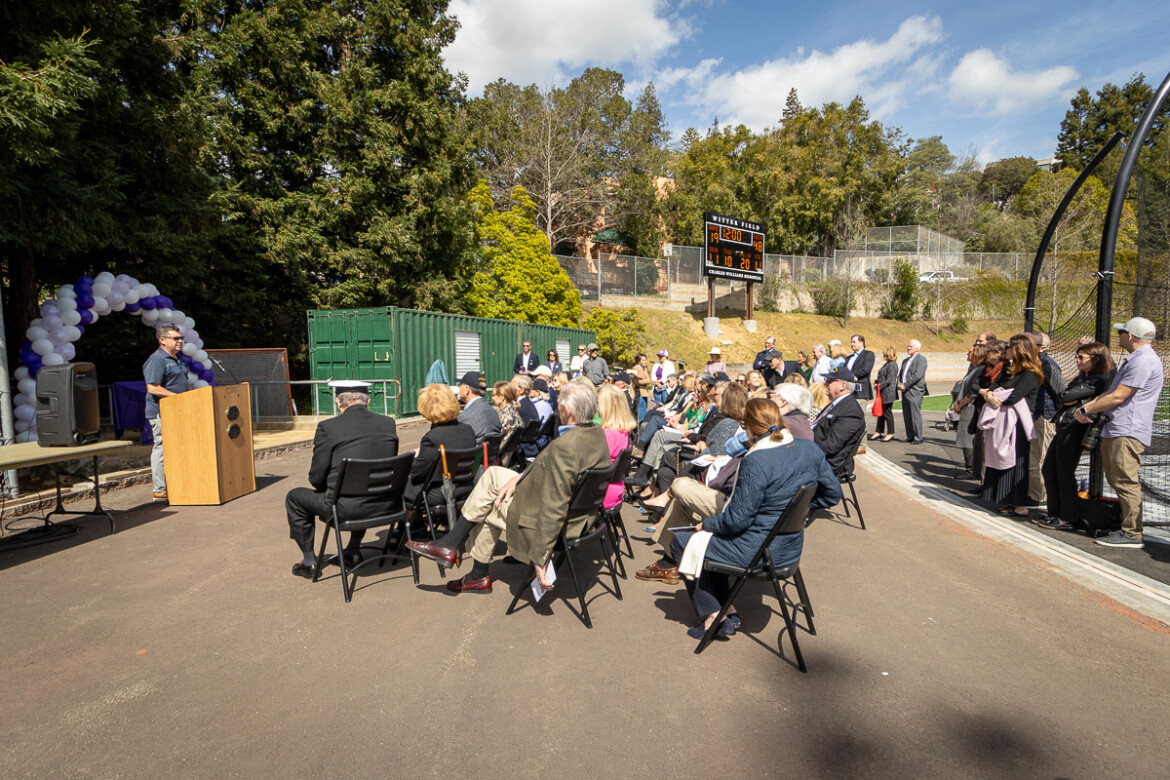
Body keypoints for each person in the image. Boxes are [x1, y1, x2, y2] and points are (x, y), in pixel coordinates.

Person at [406, 382, 612, 593]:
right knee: (493, 475)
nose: (556, 407)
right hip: (582, 513)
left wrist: (541, 557)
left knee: (488, 505)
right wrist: (520, 477)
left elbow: (554, 505)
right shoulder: (596, 433)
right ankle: (457, 553)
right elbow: (552, 468)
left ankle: (469, 565)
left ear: (567, 410)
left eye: (559, 404)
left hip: (557, 521)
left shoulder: (566, 447)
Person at [667, 400, 842, 639]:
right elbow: (833, 494)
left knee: (681, 542)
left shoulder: (756, 460)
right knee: (706, 540)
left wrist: (705, 524)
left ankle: (714, 616)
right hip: (789, 546)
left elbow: (735, 522)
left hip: (757, 551)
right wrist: (794, 511)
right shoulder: (810, 449)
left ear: (748, 429)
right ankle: (726, 610)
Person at [285, 380, 399, 578]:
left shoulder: (328, 427)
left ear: (339, 402)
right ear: (368, 401)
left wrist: (325, 490)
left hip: (345, 507)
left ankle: (310, 562)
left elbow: (316, 476)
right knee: (363, 486)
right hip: (387, 503)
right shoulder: (388, 423)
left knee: (294, 497)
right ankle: (353, 551)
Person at [1075, 317, 1164, 547]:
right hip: (1117, 428)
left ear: (1131, 336)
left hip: (1127, 430)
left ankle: (1132, 533)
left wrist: (1087, 408)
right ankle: (1127, 528)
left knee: (1125, 481)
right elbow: (1113, 393)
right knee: (1117, 480)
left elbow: (1119, 396)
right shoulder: (1135, 359)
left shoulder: (1143, 361)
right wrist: (1092, 407)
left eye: (1122, 332)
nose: (1120, 335)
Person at [1036, 342, 1113, 532]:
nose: (1077, 361)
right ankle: (1054, 513)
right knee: (1049, 469)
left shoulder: (1098, 379)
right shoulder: (1082, 377)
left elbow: (1064, 395)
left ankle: (1067, 517)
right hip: (1064, 424)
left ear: (1095, 359)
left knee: (1064, 471)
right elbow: (1065, 396)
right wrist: (1071, 398)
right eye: (1076, 357)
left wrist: (1073, 398)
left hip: (1076, 427)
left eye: (1081, 358)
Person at [979, 334, 1042, 517]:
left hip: (1019, 425)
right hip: (1002, 422)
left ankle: (1020, 504)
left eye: (1009, 347)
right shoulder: (1008, 369)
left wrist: (993, 395)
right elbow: (993, 387)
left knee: (1017, 461)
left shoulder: (1030, 374)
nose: (1005, 350)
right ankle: (1007, 500)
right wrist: (990, 396)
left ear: (1020, 349)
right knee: (999, 458)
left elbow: (1014, 397)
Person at [404, 384, 478, 513]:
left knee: (403, 484)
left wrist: (414, 458)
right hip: (465, 487)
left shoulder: (432, 437)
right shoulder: (468, 429)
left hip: (440, 492)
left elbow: (417, 473)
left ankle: (414, 529)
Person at [143, 324, 190, 501]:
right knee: (161, 448)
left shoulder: (178, 359)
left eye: (181, 338)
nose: (180, 342)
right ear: (162, 340)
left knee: (179, 447)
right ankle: (160, 490)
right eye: (175, 338)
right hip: (161, 412)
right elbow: (153, 388)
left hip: (179, 410)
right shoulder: (157, 360)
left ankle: (179, 484)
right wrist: (178, 397)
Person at [1027, 332, 1066, 506]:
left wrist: (1053, 416)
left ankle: (1040, 496)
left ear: (1042, 348)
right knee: (1031, 458)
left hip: (1044, 415)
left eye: (1032, 344)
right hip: (1032, 415)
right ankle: (1033, 492)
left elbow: (1060, 393)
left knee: (1040, 457)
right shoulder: (1032, 363)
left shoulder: (1049, 366)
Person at [812, 366, 867, 476]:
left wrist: (802, 448)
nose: (825, 384)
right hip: (816, 455)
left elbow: (830, 447)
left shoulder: (850, 412)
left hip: (828, 464)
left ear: (843, 386)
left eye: (830, 381)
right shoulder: (836, 404)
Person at [597, 384, 637, 512]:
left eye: (598, 403)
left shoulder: (607, 435)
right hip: (615, 490)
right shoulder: (623, 432)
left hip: (601, 494)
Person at [950, 344, 990, 467]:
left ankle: (971, 467)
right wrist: (957, 401)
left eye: (970, 352)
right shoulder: (974, 368)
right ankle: (970, 464)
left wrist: (960, 405)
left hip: (970, 407)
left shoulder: (979, 370)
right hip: (965, 406)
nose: (968, 354)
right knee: (964, 437)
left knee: (966, 438)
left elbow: (972, 393)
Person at [456, 371, 501, 443]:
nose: (459, 389)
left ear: (467, 390)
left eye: (459, 385)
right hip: (490, 453)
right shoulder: (493, 412)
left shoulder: (465, 417)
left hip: (476, 453)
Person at [898, 340, 928, 444]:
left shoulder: (921, 359)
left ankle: (918, 437)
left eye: (911, 346)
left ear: (917, 348)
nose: (908, 348)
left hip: (915, 391)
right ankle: (910, 436)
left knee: (915, 415)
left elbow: (918, 375)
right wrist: (899, 383)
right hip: (905, 391)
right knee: (907, 415)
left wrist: (905, 385)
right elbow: (901, 374)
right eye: (908, 346)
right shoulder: (905, 361)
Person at [872, 347, 899, 442]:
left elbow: (889, 380)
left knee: (887, 413)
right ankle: (878, 431)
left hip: (888, 392)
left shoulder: (892, 365)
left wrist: (879, 385)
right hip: (883, 391)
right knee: (881, 413)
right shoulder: (887, 364)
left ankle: (890, 433)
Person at [846, 334, 874, 402]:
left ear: (861, 343)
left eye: (854, 342)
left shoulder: (868, 354)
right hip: (848, 392)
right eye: (851, 342)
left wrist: (850, 375)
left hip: (860, 392)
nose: (852, 344)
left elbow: (865, 370)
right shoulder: (849, 358)